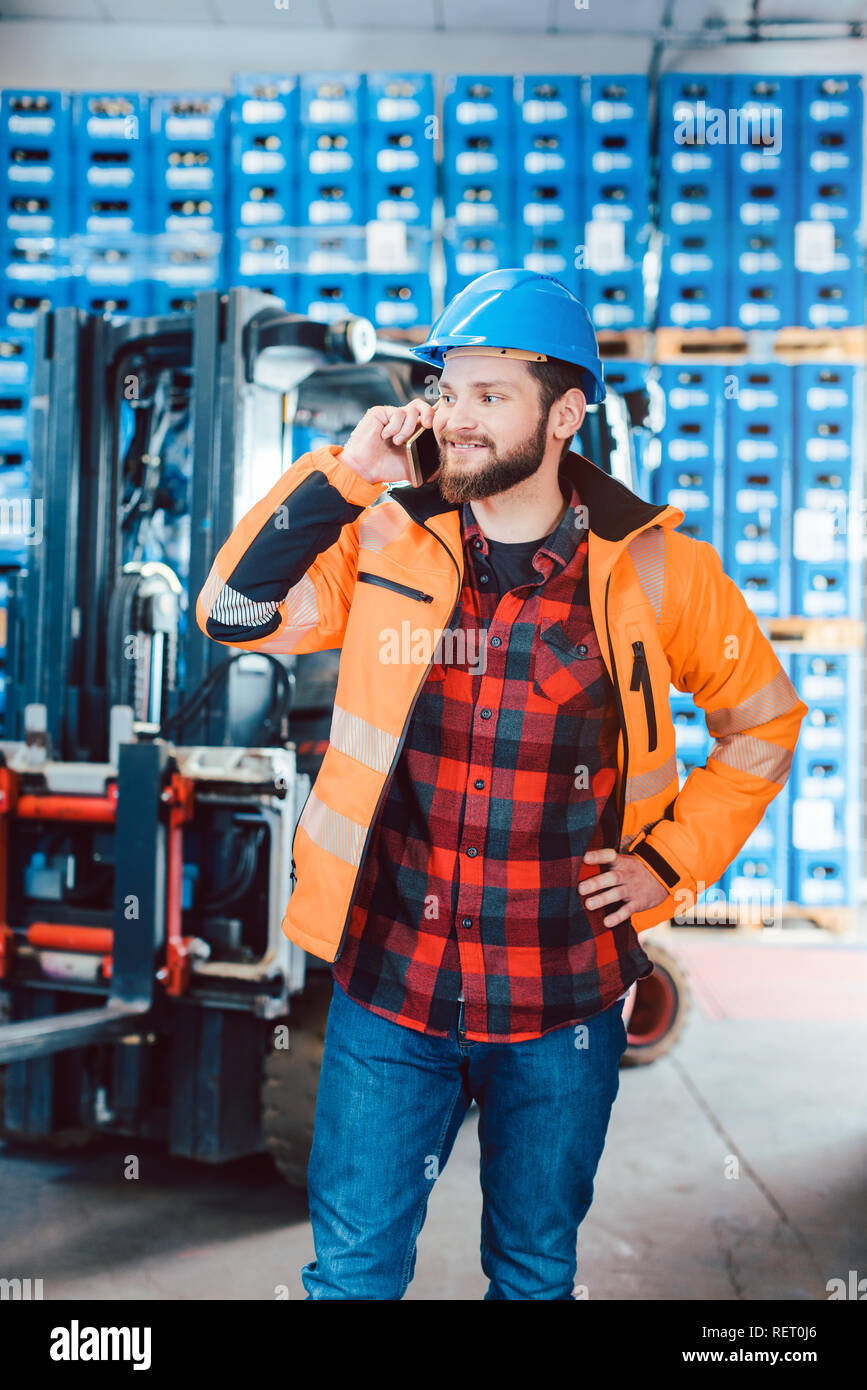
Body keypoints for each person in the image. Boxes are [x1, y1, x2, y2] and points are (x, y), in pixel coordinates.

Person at [196, 269, 808, 1299]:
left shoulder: (662, 573)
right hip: (391, 990)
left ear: (566, 414)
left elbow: (764, 722)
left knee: (531, 1275)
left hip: (562, 1003)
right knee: (349, 1278)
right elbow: (232, 608)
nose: (457, 417)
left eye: (492, 395)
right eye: (449, 389)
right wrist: (347, 475)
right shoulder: (387, 541)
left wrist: (671, 861)